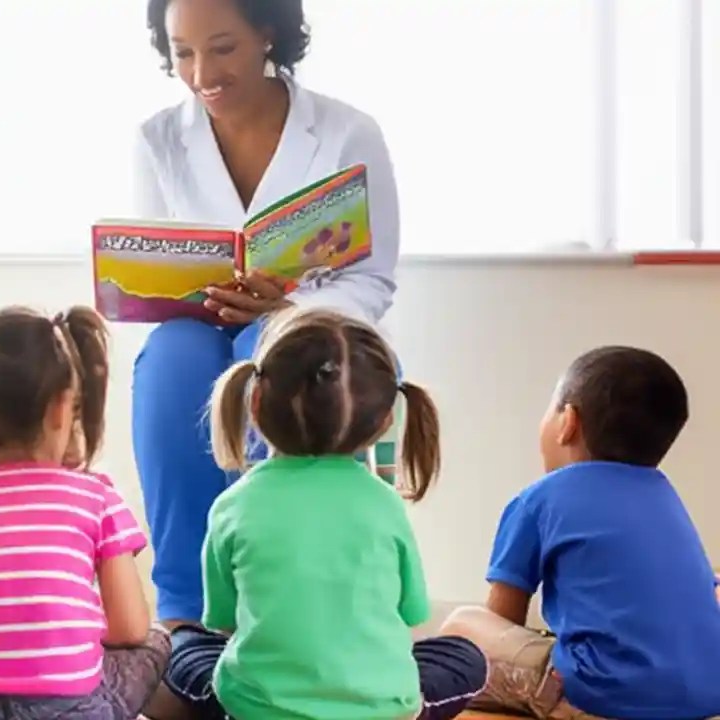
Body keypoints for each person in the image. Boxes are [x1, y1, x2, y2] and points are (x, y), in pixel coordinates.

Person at [131, 0, 402, 628]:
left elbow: (373, 277)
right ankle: (185, 612)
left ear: (268, 35)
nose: (202, 73)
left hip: (314, 332)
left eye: (222, 48)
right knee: (171, 355)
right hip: (200, 329)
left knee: (266, 344)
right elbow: (155, 263)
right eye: (184, 53)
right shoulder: (158, 139)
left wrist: (286, 307)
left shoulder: (346, 133)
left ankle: (274, 606)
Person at [149, 308, 485, 720]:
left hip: (257, 710)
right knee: (463, 656)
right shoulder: (383, 502)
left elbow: (223, 621)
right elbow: (412, 614)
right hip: (379, 710)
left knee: (184, 644)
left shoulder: (233, 505)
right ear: (384, 424)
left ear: (253, 402)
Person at [0, 306, 170, 719]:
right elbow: (129, 628)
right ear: (61, 409)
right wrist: (66, 633)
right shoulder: (97, 496)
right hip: (77, 710)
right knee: (157, 640)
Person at [442, 346, 720, 719]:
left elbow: (503, 620)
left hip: (603, 698)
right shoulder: (664, 495)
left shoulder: (538, 499)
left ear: (567, 422)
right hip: (705, 696)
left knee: (463, 626)